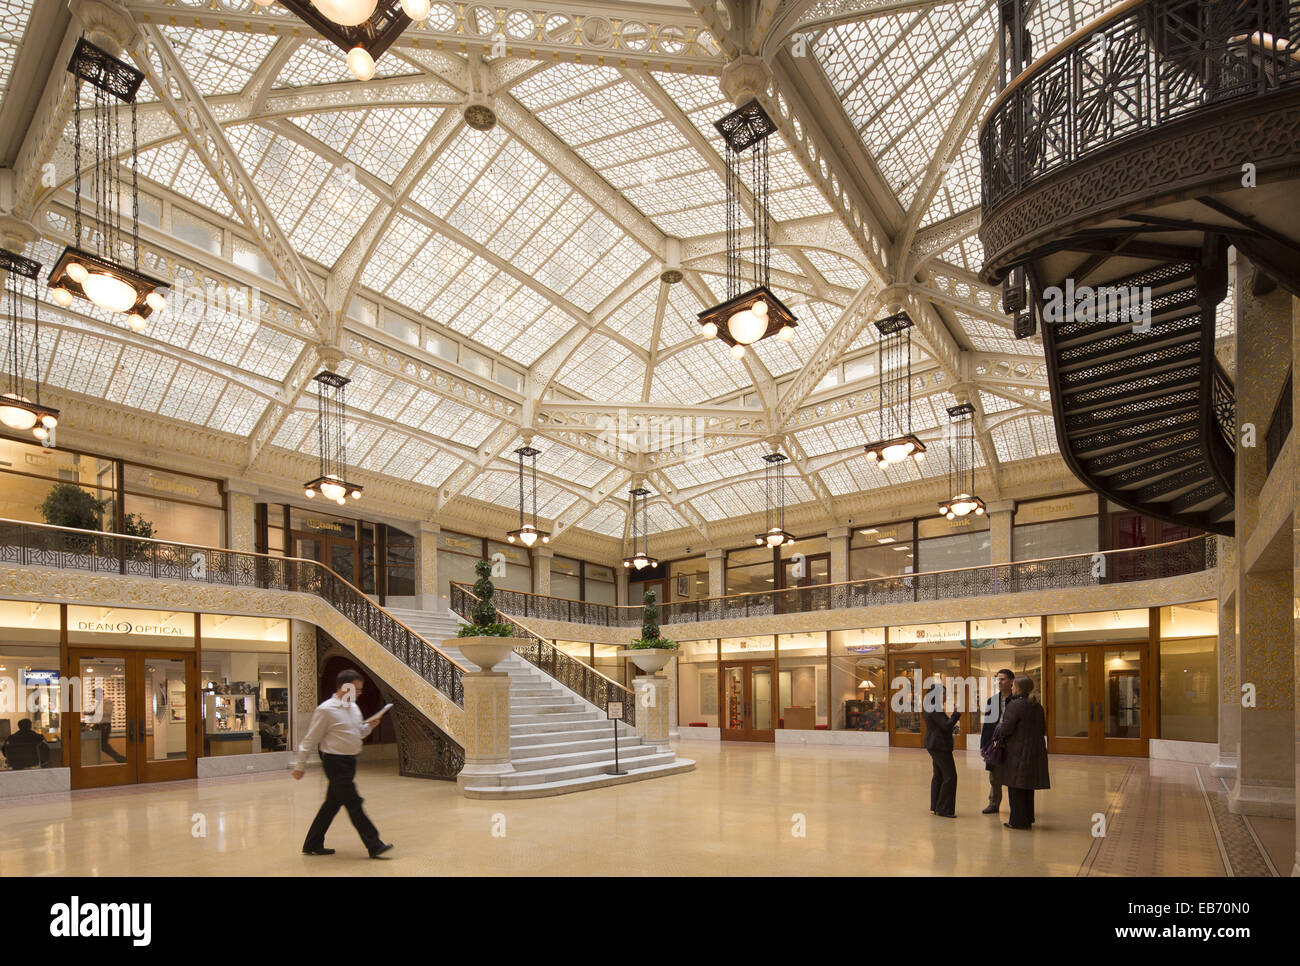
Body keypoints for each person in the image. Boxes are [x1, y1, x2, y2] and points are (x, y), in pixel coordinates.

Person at [292, 669, 393, 858]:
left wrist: (368, 727)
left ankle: (312, 843)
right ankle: (374, 845)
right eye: (357, 689)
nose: (359, 693)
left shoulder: (353, 708)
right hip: (334, 762)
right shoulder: (326, 709)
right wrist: (300, 766)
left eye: (360, 690)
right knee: (354, 803)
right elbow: (310, 739)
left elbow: (358, 733)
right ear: (344, 688)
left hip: (349, 762)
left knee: (331, 804)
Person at [998, 675, 1050, 830]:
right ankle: (1027, 817)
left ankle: (1018, 820)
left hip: (1017, 750)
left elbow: (1006, 729)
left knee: (1015, 786)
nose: (1012, 688)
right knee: (1028, 786)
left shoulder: (1015, 705)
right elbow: (1042, 728)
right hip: (1035, 749)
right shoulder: (1037, 706)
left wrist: (1000, 732)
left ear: (1018, 688)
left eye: (1013, 686)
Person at [922, 680, 961, 818]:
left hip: (935, 744)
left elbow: (941, 725)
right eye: (943, 693)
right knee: (950, 776)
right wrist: (956, 714)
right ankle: (944, 808)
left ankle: (936, 806)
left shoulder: (931, 706)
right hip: (939, 746)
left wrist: (951, 725)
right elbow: (945, 725)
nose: (945, 696)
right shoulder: (934, 708)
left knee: (938, 775)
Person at [980, 669, 1015, 814]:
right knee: (994, 776)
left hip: (1012, 742)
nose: (999, 682)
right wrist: (984, 745)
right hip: (995, 743)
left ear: (1012, 681)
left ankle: (1016, 807)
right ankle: (993, 803)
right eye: (998, 679)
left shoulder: (1016, 700)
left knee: (1014, 776)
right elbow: (987, 725)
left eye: (1003, 679)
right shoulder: (992, 701)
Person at [87, 687, 126, 763]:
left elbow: (107, 712)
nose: (94, 696)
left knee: (103, 745)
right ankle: (119, 758)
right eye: (93, 695)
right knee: (98, 745)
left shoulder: (107, 701)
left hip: (104, 726)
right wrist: (89, 713)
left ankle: (120, 759)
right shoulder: (99, 703)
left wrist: (95, 713)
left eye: (95, 694)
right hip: (99, 726)